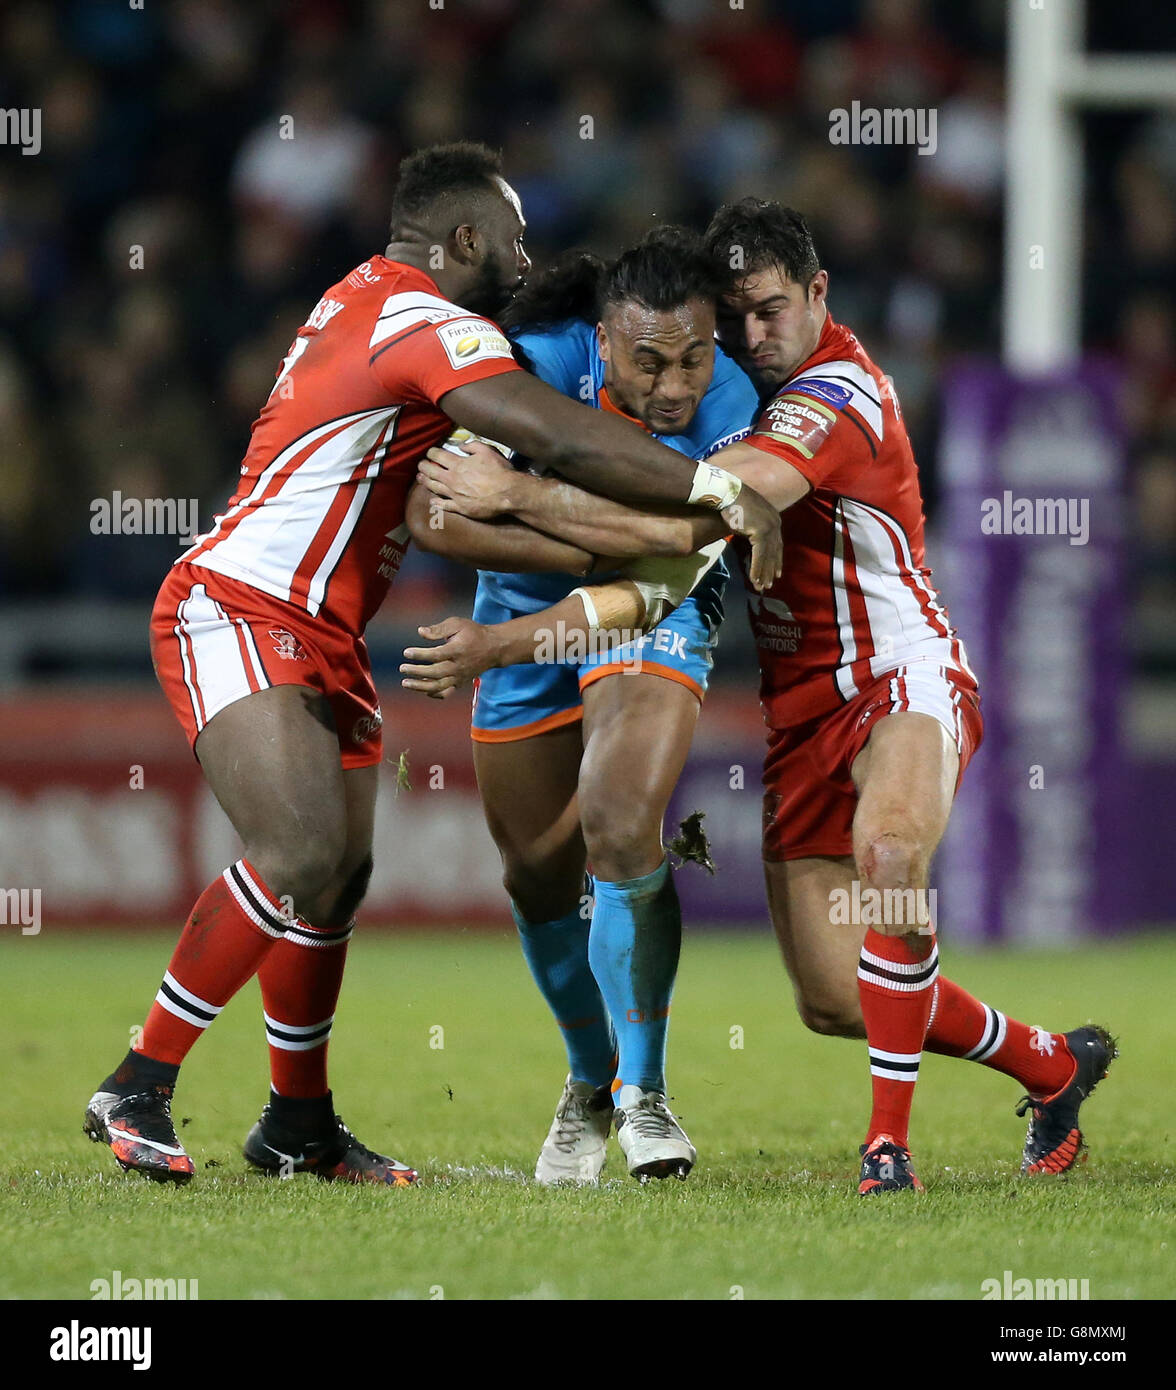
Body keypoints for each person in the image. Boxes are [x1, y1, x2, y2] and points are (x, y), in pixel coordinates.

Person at [82, 144, 782, 1186]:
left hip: (323, 627)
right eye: (510, 236)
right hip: (242, 602)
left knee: (340, 878)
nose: (524, 254)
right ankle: (138, 1081)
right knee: (302, 851)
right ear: (463, 241)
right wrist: (720, 498)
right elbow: (557, 433)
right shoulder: (422, 318)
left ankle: (298, 1125)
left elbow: (438, 501)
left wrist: (584, 535)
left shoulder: (372, 305)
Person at [404, 200, 1116, 1194]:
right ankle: (1050, 1063)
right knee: (833, 997)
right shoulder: (677, 378)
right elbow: (663, 517)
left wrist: (519, 493)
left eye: (771, 311)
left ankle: (885, 1152)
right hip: (800, 713)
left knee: (893, 858)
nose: (749, 338)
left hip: (897, 675)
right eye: (737, 317)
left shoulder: (831, 396)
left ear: (819, 293)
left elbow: (696, 513)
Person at [406, 227, 759, 1183]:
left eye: (693, 357)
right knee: (533, 871)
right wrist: (590, 548)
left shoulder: (733, 399)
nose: (675, 386)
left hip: (656, 610)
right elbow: (432, 511)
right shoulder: (535, 366)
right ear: (603, 343)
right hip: (529, 610)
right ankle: (589, 1081)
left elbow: (690, 543)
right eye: (649, 363)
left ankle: (645, 1096)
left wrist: (524, 498)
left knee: (617, 819)